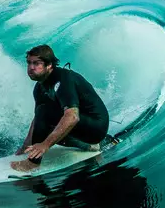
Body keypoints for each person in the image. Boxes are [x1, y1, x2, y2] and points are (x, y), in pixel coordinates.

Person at [11, 44, 111, 173]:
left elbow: (73, 116)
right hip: (84, 128)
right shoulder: (39, 88)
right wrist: (26, 146)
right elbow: (38, 119)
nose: (31, 68)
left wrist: (44, 146)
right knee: (45, 122)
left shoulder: (64, 79)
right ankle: (90, 146)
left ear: (49, 65)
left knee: (45, 112)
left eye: (36, 63)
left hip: (96, 127)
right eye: (29, 63)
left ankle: (33, 163)